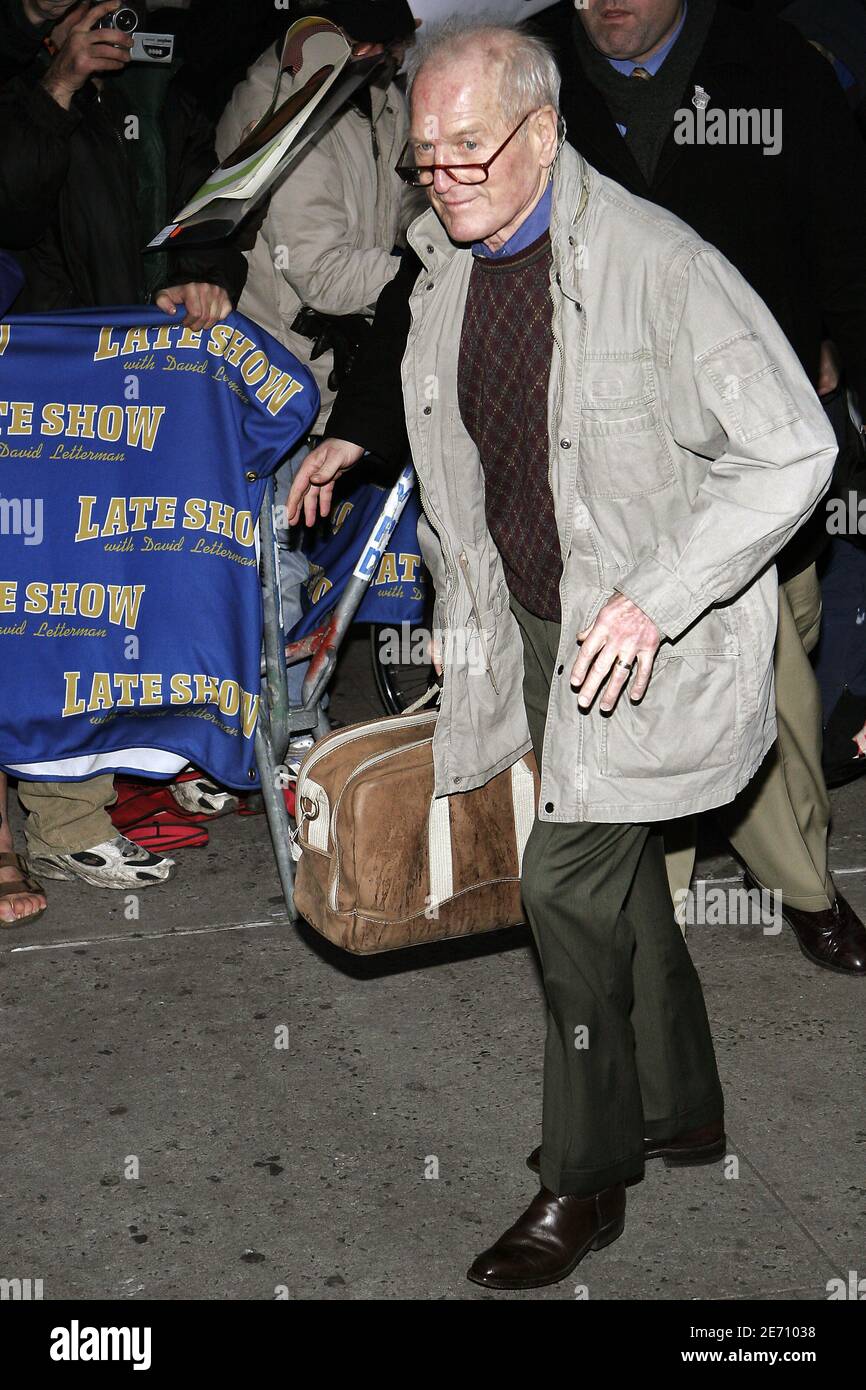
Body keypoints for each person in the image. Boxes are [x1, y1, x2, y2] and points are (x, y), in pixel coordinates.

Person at [291, 16, 838, 1289]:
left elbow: (795, 451)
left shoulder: (660, 265)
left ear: (541, 131)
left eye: (469, 146)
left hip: (639, 640)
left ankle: (582, 1176)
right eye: (424, 154)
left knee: (563, 886)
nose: (442, 174)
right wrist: (352, 439)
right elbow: (427, 370)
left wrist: (659, 595)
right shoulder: (449, 252)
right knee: (622, 870)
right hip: (527, 622)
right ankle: (686, 1106)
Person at [0, 0, 247, 890]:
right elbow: (10, 207)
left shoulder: (159, 85)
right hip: (44, 388)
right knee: (56, 606)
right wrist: (56, 84)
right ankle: (66, 816)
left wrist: (206, 278)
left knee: (145, 582)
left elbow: (208, 208)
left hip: (152, 384)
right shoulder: (23, 76)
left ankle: (146, 765)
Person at [216, 0, 420, 727]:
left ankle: (281, 724)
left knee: (305, 562)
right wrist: (426, 276)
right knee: (273, 563)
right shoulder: (285, 97)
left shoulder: (377, 92)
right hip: (271, 379)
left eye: (391, 40)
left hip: (337, 372)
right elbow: (324, 271)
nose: (386, 50)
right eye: (374, 37)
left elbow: (404, 216)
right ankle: (287, 735)